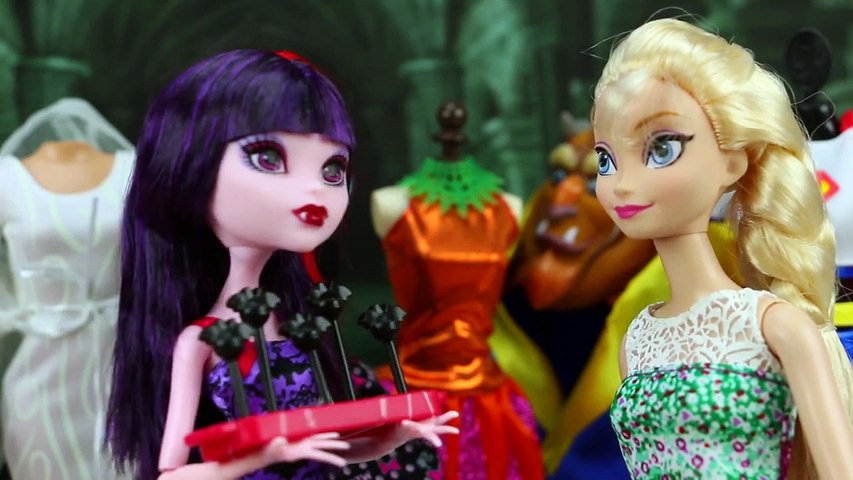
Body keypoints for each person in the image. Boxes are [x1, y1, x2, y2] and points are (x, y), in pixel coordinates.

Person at [106, 49, 456, 480]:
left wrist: (389, 439)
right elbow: (171, 474)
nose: (316, 190)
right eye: (268, 158)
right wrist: (260, 457)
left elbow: (325, 446)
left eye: (333, 169)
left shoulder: (299, 321)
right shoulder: (200, 340)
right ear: (186, 164)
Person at [592, 18, 853, 479]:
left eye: (662, 148)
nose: (622, 183)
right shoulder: (637, 340)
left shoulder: (774, 325)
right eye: (606, 159)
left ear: (732, 162)